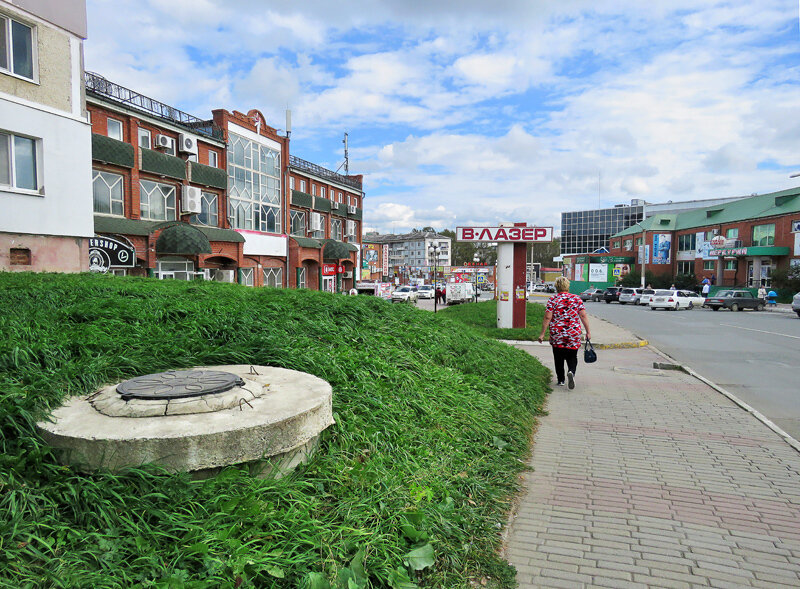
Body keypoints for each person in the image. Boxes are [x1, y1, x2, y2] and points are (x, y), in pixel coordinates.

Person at [538, 276, 591, 390]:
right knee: (572, 356)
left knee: (558, 357)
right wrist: (588, 332)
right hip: (573, 333)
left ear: (556, 286)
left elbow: (548, 317)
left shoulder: (553, 299)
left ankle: (561, 380)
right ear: (568, 286)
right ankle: (571, 371)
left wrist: (542, 333)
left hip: (558, 333)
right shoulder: (577, 299)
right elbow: (583, 316)